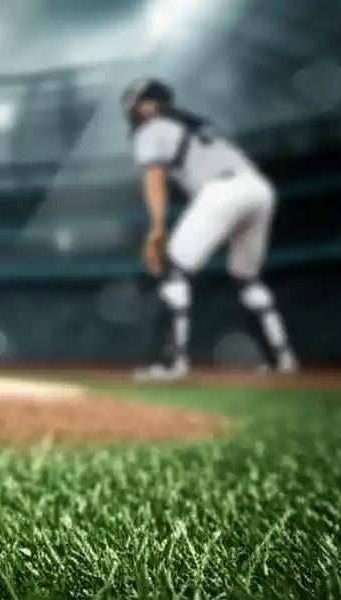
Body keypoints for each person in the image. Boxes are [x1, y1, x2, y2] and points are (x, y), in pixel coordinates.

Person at [124, 78, 298, 381]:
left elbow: (154, 177)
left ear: (149, 105)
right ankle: (282, 360)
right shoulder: (197, 124)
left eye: (135, 105)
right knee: (247, 280)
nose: (132, 112)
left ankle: (171, 364)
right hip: (258, 189)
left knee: (173, 274)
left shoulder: (153, 127)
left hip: (221, 191)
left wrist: (157, 229)